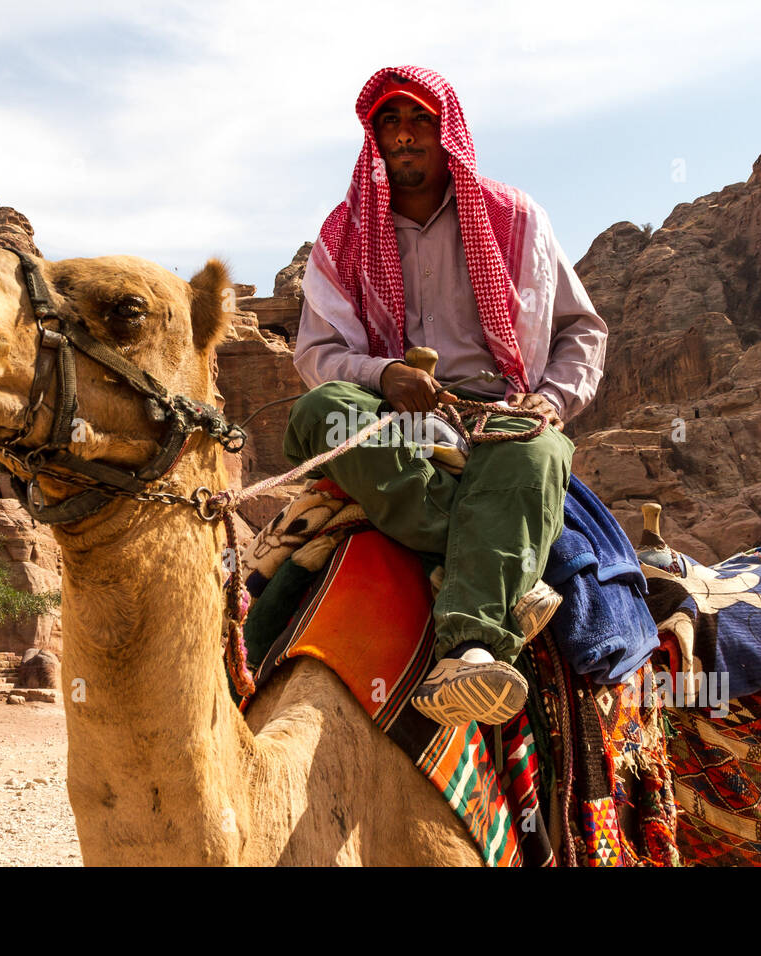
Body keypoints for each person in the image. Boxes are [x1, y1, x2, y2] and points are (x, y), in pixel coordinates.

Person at [287, 66, 608, 726]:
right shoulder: (344, 234)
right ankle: (487, 562)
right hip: (393, 416)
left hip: (496, 415)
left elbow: (582, 330)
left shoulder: (516, 218)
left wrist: (550, 399)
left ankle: (470, 647)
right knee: (320, 411)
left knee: (540, 450)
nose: (402, 136)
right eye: (388, 124)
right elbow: (317, 356)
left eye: (419, 121)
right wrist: (384, 376)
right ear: (373, 139)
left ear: (448, 131)